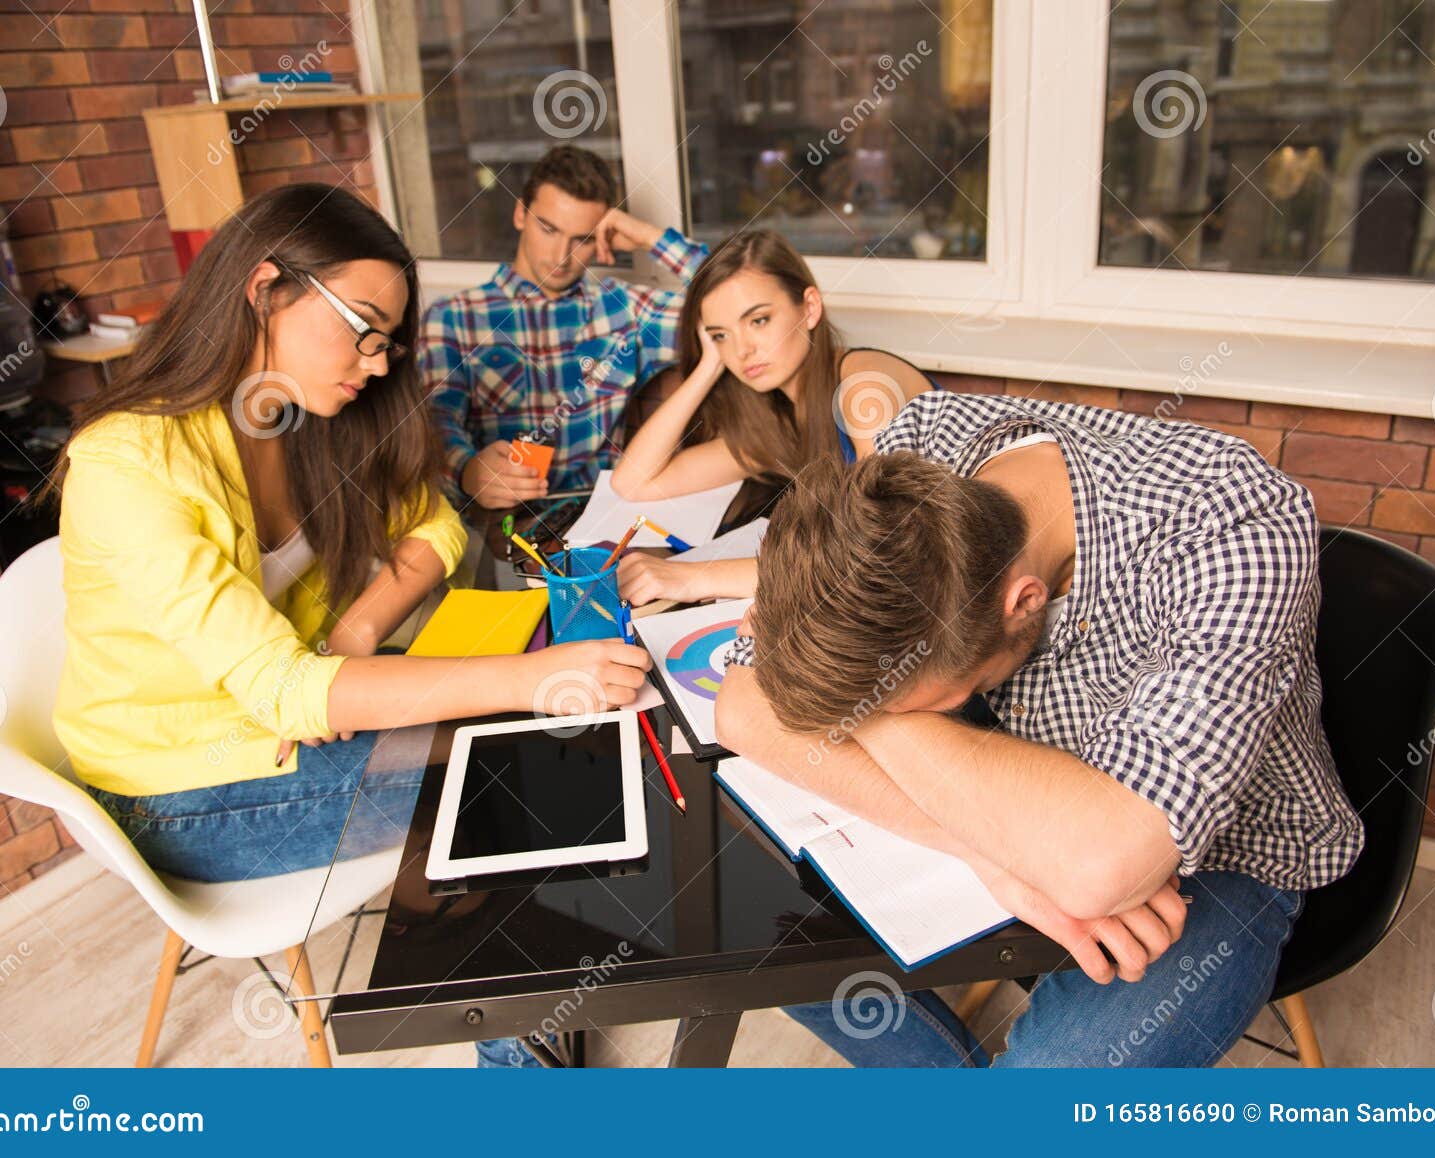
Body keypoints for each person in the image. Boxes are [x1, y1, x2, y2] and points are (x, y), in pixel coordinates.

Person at [50, 184, 648, 1069]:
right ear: (265, 289)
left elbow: (437, 522)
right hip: (175, 787)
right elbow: (289, 693)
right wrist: (531, 676)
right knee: (500, 778)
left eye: (388, 342)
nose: (374, 362)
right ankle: (523, 1054)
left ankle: (522, 1013)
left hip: (282, 722)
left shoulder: (305, 420)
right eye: (362, 328)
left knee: (522, 757)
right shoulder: (127, 464)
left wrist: (363, 627)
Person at [713, 391, 1364, 1067]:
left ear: (1024, 605)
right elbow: (740, 707)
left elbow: (1102, 865)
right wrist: (997, 859)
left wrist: (871, 718)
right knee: (762, 935)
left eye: (904, 706)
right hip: (1014, 803)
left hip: (1225, 855)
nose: (875, 714)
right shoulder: (915, 452)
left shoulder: (1232, 523)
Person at [610, 229, 933, 608]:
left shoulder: (865, 389)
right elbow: (634, 480)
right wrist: (708, 366)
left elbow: (884, 552)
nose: (743, 351)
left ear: (809, 308)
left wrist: (692, 578)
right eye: (721, 335)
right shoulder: (777, 421)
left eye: (759, 320)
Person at [419, 145, 708, 511]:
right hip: (503, 523)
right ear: (520, 213)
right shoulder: (453, 318)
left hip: (605, 517)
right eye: (549, 228)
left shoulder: (626, 310)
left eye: (582, 239)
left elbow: (738, 300)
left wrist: (649, 236)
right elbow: (434, 420)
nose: (561, 257)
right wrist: (466, 471)